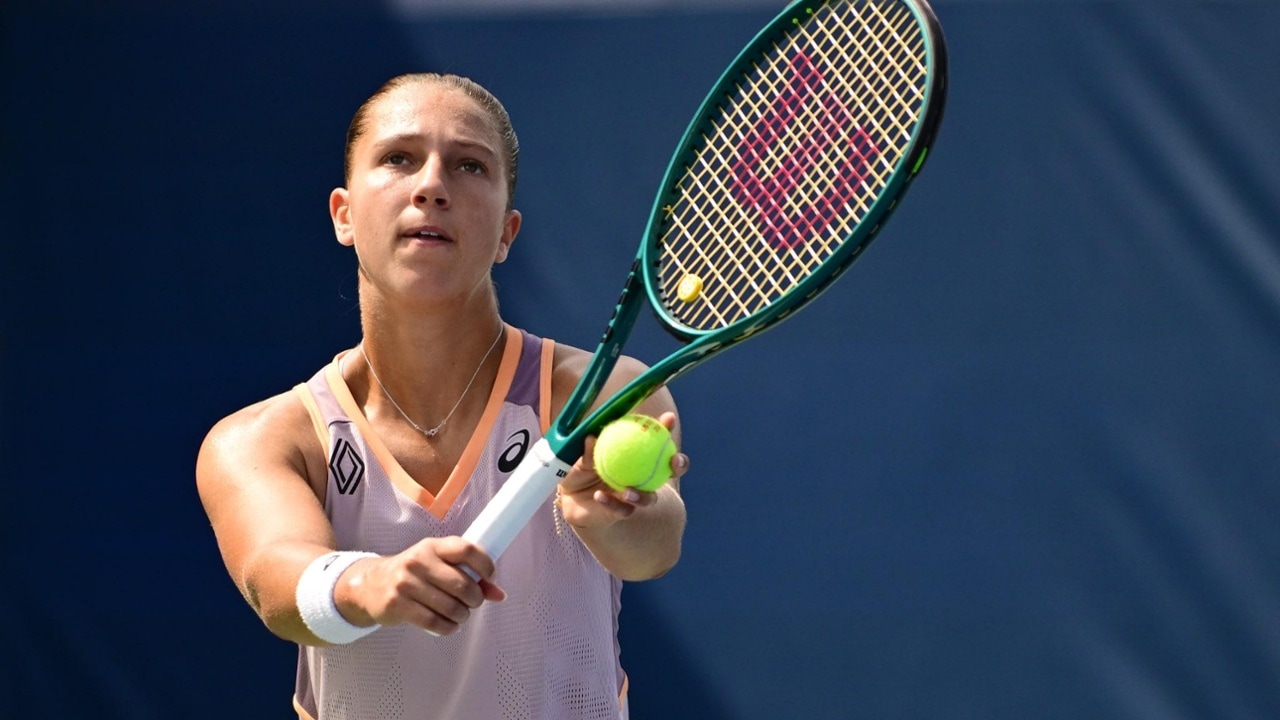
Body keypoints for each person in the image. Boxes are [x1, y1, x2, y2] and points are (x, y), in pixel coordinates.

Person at [196, 72, 689, 720]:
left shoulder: (599, 392)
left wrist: (613, 517)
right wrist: (370, 583)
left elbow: (655, 547)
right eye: (399, 158)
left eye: (468, 165)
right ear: (344, 214)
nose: (431, 185)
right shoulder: (266, 440)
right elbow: (275, 582)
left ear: (508, 232)